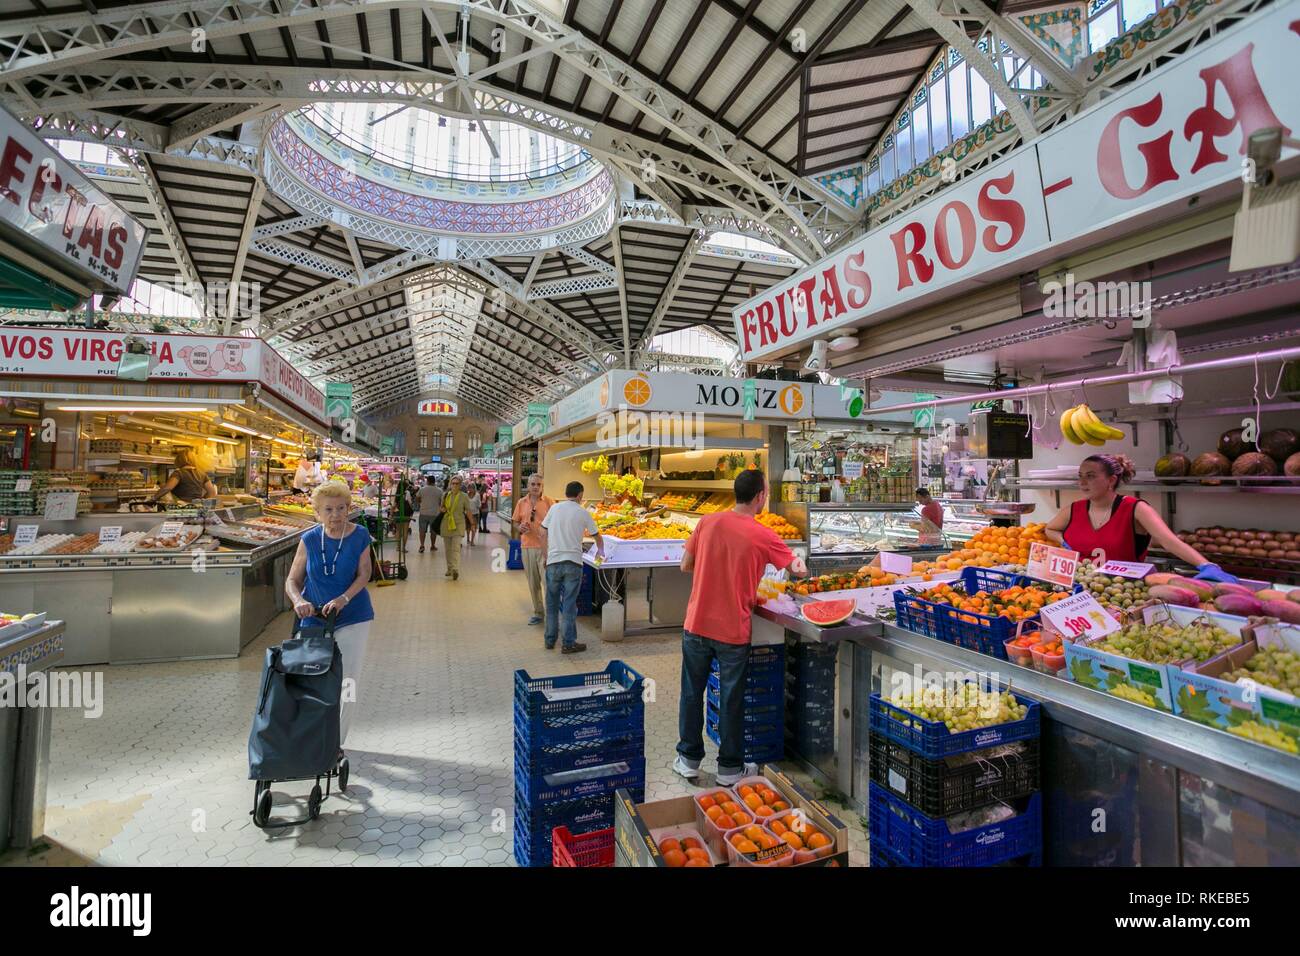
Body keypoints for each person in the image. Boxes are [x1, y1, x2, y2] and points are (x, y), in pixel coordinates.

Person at [674, 470, 808, 786]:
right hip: (733, 630)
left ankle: (688, 761)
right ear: (760, 496)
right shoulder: (763, 534)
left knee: (692, 693)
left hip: (697, 624)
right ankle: (729, 769)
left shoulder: (707, 521)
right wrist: (800, 565)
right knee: (732, 699)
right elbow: (796, 569)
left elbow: (684, 565)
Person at [1044, 453, 1236, 581]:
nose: (1082, 482)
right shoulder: (1073, 510)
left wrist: (1206, 565)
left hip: (1124, 593)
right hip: (1079, 591)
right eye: (1081, 476)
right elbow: (1050, 528)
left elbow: (1169, 542)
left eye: (1091, 476)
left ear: (1111, 480)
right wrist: (1062, 541)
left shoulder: (1135, 508)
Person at [284, 480, 374, 746]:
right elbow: (292, 580)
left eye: (341, 508)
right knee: (310, 674)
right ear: (317, 512)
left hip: (353, 616)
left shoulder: (359, 536)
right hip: (313, 617)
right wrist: (298, 600)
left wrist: (344, 598)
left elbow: (365, 572)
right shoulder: (309, 539)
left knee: (347, 679)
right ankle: (311, 734)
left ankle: (336, 742)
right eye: (329, 509)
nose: (336, 515)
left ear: (348, 509)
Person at [539, 480, 603, 653]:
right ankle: (568, 643)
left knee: (551, 603)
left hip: (553, 562)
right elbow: (597, 536)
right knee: (568, 604)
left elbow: (542, 532)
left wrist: (546, 555)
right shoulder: (582, 512)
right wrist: (600, 551)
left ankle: (550, 640)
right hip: (573, 563)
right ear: (580, 495)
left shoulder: (554, 508)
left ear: (566, 493)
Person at [512, 474, 553, 625]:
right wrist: (519, 527)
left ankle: (551, 614)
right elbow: (515, 522)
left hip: (545, 548)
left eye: (538, 484)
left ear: (542, 486)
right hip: (527, 546)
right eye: (533, 484)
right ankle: (538, 612)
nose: (535, 487)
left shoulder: (550, 503)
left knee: (548, 582)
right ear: (528, 486)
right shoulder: (521, 502)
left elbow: (556, 522)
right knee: (533, 582)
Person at [153, 449, 217, 504]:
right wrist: (200, 501)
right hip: (196, 508)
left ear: (178, 460)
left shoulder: (179, 473)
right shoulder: (202, 474)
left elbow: (167, 488)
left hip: (181, 508)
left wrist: (153, 498)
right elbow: (212, 492)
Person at [439, 475, 472, 580]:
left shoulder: (464, 496)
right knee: (448, 549)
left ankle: (455, 569)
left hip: (458, 524)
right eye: (453, 483)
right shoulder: (445, 495)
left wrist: (472, 523)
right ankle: (449, 568)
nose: (454, 485)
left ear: (460, 485)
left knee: (456, 548)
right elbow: (441, 507)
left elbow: (468, 510)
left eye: (457, 484)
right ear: (450, 484)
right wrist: (442, 509)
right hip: (446, 524)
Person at [416, 475, 441, 553]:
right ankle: (432, 545)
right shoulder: (439, 490)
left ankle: (422, 545)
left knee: (422, 531)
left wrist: (422, 503)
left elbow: (417, 498)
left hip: (423, 513)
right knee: (433, 531)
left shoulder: (422, 489)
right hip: (434, 514)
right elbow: (441, 502)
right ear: (434, 481)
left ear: (428, 481)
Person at [465, 482, 481, 546]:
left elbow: (479, 504)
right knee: (468, 527)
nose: (470, 489)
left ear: (474, 488)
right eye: (469, 488)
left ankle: (472, 541)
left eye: (471, 488)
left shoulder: (477, 495)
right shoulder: (466, 495)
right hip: (467, 513)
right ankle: (468, 538)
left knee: (473, 527)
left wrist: (478, 506)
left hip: (475, 513)